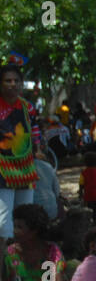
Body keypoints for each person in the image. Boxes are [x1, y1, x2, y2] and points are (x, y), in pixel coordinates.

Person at [1, 64, 44, 242]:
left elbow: (34, 131)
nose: (13, 84)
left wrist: (39, 149)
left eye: (16, 80)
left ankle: (23, 263)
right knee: (3, 222)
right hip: (2, 170)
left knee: (27, 217)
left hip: (25, 169)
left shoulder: (28, 107)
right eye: (7, 81)